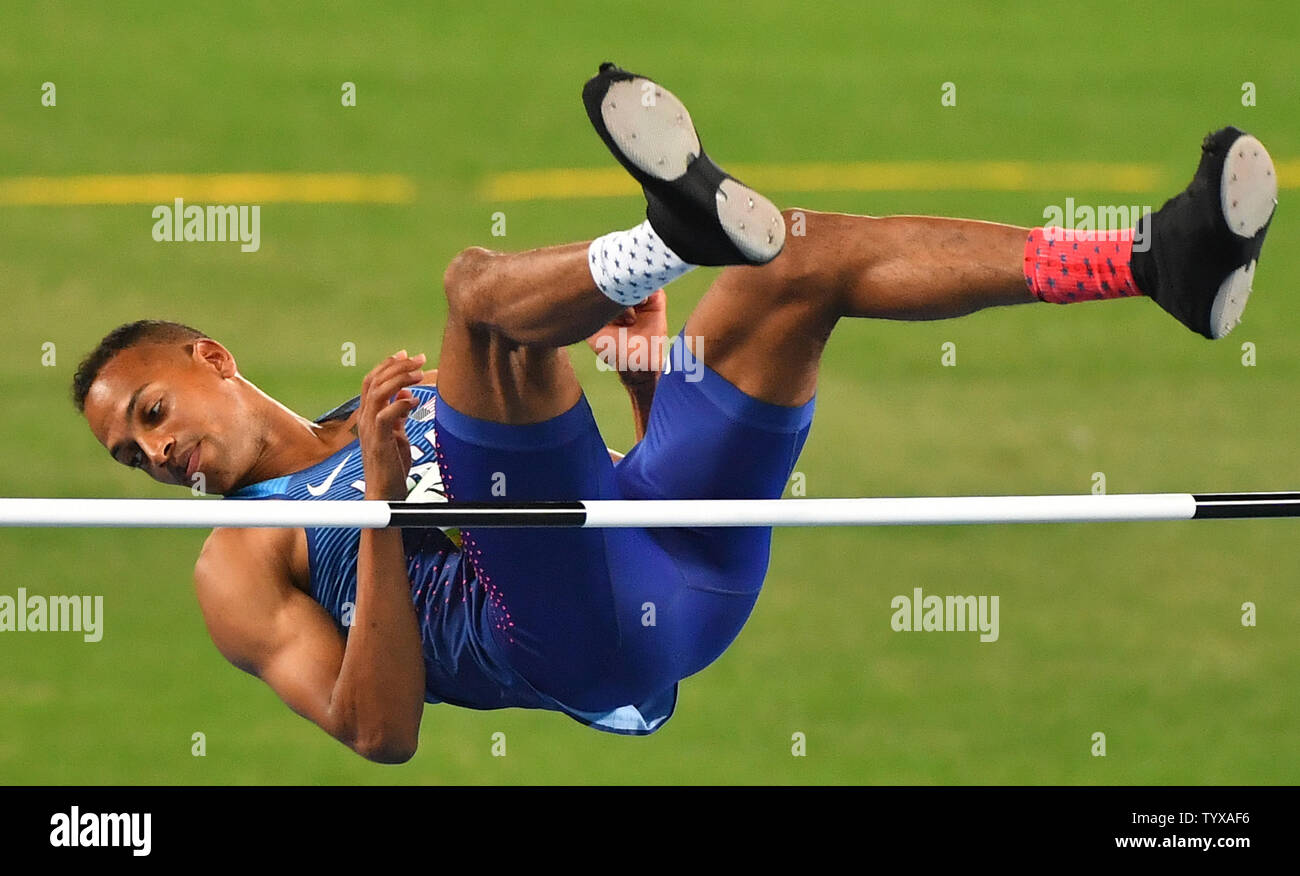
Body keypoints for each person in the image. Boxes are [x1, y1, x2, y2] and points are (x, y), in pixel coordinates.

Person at [72, 63, 1277, 763]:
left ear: (210, 358)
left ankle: (1153, 262)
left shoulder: (396, 401)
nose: (155, 451)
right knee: (475, 297)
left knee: (795, 268)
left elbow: (634, 472)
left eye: (152, 410)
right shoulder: (237, 560)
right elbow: (379, 733)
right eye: (132, 452)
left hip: (669, 554)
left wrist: (649, 375)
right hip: (579, 638)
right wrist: (384, 512)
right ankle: (660, 235)